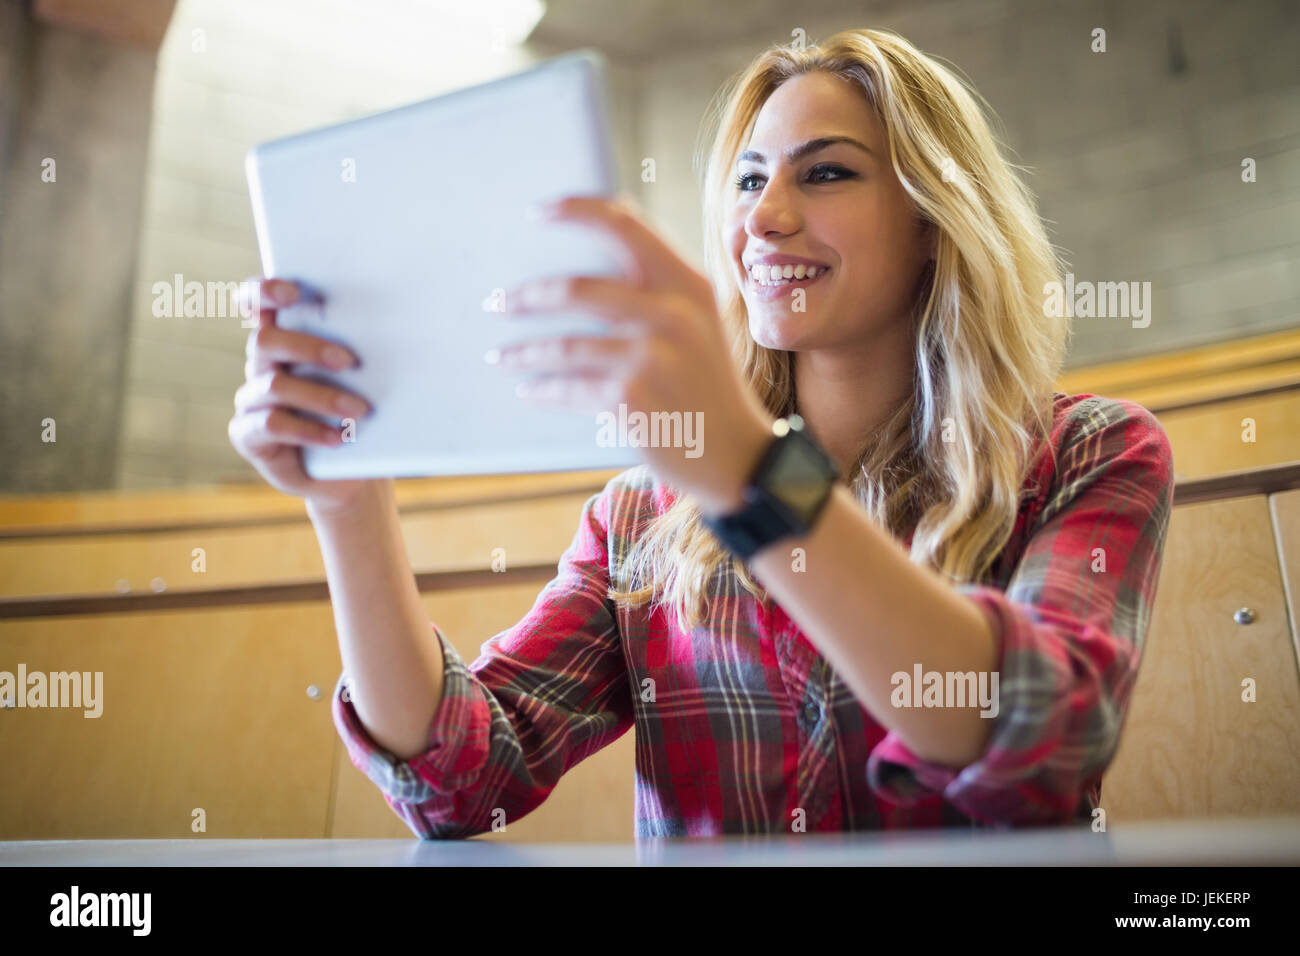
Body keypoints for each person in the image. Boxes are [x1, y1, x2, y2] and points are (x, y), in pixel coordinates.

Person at [229, 28, 1174, 838]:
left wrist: (753, 472)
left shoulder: (1090, 452)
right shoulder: (644, 512)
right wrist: (347, 500)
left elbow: (1045, 738)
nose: (765, 216)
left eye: (828, 173)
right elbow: (463, 778)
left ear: (934, 218)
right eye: (749, 179)